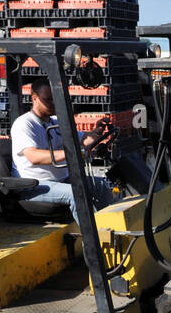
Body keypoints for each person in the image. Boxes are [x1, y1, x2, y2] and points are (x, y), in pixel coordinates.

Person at [9, 82, 114, 216]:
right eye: (48, 99)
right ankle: (93, 235)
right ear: (34, 98)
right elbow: (34, 157)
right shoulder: (24, 124)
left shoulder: (55, 122)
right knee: (77, 193)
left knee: (100, 185)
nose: (53, 103)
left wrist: (97, 131)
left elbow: (83, 141)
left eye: (55, 99)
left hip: (61, 180)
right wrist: (72, 153)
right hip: (35, 186)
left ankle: (108, 226)